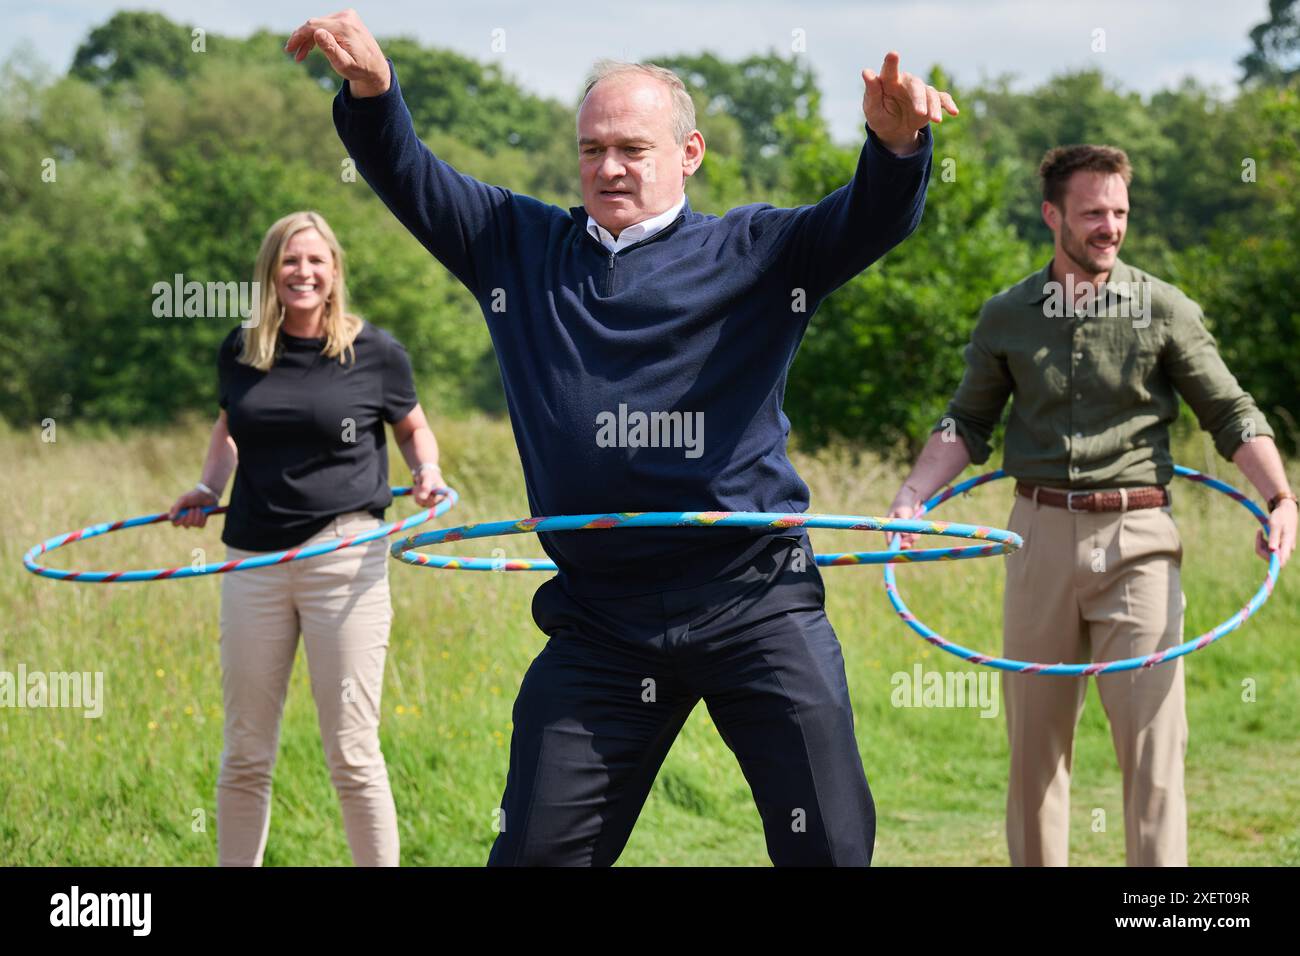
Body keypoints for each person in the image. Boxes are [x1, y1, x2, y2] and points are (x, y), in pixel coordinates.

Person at [288, 8, 956, 865]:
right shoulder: (514, 246)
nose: (608, 167)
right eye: (592, 149)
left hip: (751, 598)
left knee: (830, 844)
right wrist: (375, 91)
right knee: (532, 854)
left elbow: (865, 220)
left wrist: (897, 152)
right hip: (602, 618)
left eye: (632, 149)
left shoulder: (758, 252)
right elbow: (411, 174)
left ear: (689, 154)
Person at [887, 145, 1296, 866]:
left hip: (1139, 539)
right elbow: (966, 424)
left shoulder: (1165, 308)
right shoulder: (1007, 316)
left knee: (1153, 750)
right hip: (1035, 539)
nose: (1109, 227)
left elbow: (1231, 412)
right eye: (1092, 213)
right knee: (1035, 753)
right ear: (1053, 216)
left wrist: (1280, 497)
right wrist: (914, 494)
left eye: (1119, 213)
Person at [168, 210, 448, 866]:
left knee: (352, 751)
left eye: (315, 261)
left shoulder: (373, 350)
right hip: (254, 561)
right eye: (290, 261)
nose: (303, 272)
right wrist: (208, 489)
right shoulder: (241, 350)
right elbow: (229, 429)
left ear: (334, 273)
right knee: (244, 752)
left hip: (344, 556)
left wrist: (426, 471)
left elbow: (412, 428)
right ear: (271, 272)